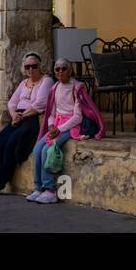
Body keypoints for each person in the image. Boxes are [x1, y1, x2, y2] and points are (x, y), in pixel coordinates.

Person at [28, 58, 106, 204]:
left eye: (64, 68)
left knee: (48, 150)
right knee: (38, 148)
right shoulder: (55, 88)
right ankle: (38, 187)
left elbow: (77, 117)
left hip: (70, 126)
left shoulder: (76, 88)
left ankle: (50, 189)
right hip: (56, 124)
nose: (60, 71)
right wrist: (51, 126)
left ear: (70, 71)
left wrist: (59, 129)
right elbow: (51, 113)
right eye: (57, 69)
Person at [0, 52, 52, 196]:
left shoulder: (46, 81)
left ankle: (0, 182)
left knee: (12, 142)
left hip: (32, 119)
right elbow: (12, 102)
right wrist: (13, 115)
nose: (31, 69)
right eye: (27, 67)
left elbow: (40, 104)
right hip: (18, 117)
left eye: (34, 66)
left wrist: (21, 116)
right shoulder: (24, 83)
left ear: (40, 66)